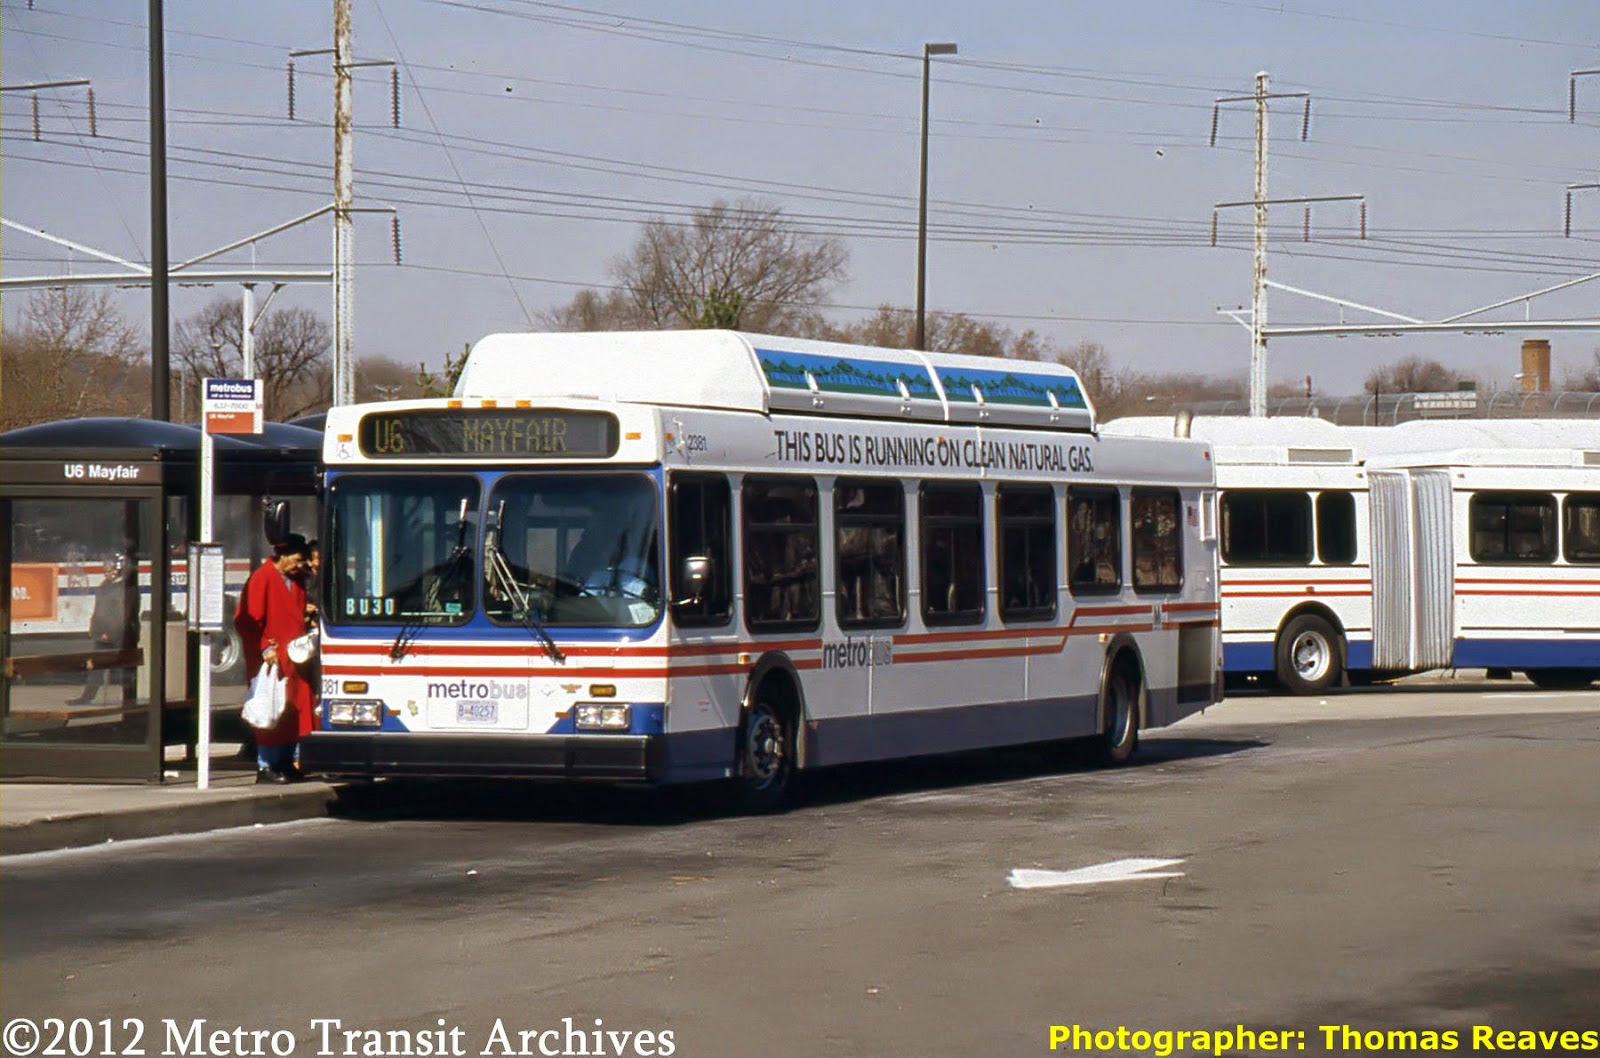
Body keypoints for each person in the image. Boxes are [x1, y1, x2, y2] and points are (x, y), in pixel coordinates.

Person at [234, 534, 313, 784]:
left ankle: (286, 761)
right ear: (284, 556)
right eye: (298, 559)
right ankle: (266, 763)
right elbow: (247, 621)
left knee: (292, 710)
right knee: (270, 709)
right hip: (272, 658)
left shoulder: (296, 580)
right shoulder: (262, 578)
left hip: (294, 656)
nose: (300, 565)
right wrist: (264, 647)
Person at [70, 552, 139, 705]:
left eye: (109, 570)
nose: (106, 573)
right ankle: (88, 695)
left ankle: (129, 697)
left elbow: (124, 614)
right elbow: (99, 609)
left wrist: (111, 632)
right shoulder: (104, 586)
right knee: (96, 666)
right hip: (102, 633)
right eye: (105, 570)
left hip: (118, 635)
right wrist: (94, 628)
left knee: (125, 669)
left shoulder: (126, 588)